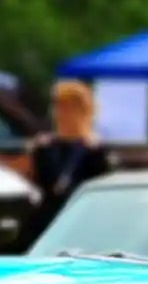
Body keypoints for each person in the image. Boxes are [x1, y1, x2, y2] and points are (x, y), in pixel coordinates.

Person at [24, 80, 110, 240]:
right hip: (49, 222)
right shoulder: (44, 147)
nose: (63, 113)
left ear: (85, 111)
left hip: (82, 220)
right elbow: (37, 185)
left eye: (71, 107)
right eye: (59, 106)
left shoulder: (94, 149)